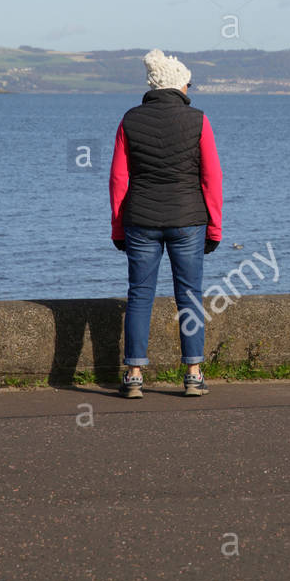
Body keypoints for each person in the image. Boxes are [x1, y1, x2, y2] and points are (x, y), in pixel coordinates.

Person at [109, 49, 223, 398]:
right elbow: (212, 177)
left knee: (140, 295)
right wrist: (215, 227)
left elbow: (118, 179)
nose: (191, 89)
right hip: (189, 219)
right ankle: (192, 373)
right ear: (178, 85)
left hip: (140, 219)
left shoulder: (130, 119)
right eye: (189, 83)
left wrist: (117, 227)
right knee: (189, 296)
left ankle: (134, 375)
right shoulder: (199, 121)